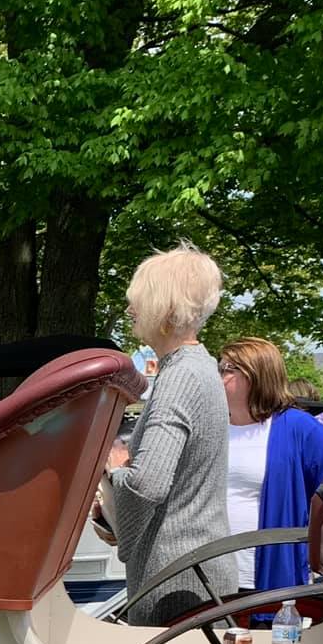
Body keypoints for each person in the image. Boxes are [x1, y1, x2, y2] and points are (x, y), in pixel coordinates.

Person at [100, 243, 235, 623]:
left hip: (175, 578)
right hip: (195, 570)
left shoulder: (180, 376)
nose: (130, 310)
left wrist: (114, 468)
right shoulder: (200, 367)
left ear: (163, 307)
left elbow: (147, 484)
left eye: (138, 301)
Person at [216, 338, 323, 595]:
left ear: (257, 375)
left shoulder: (301, 429)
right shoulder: (211, 427)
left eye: (228, 369)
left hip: (269, 579)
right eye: (219, 367)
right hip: (209, 578)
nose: (219, 375)